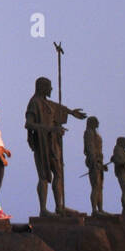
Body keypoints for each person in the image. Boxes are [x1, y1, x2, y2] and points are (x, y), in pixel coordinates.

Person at [23, 76, 86, 216]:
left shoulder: (47, 103)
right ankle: (43, 209)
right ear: (41, 87)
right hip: (42, 144)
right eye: (49, 86)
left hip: (53, 144)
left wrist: (71, 112)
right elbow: (29, 124)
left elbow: (59, 108)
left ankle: (59, 207)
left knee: (59, 173)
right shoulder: (34, 103)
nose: (51, 89)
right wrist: (50, 129)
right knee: (43, 177)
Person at [83, 116, 106, 215]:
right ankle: (94, 210)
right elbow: (90, 148)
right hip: (93, 162)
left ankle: (100, 209)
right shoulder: (88, 133)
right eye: (96, 122)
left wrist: (102, 163)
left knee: (100, 186)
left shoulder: (96, 134)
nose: (98, 124)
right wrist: (94, 161)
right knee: (95, 186)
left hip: (99, 161)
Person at [110, 136, 125, 213]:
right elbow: (118, 160)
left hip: (124, 171)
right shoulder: (117, 149)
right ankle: (124, 209)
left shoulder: (122, 150)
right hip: (121, 171)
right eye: (124, 142)